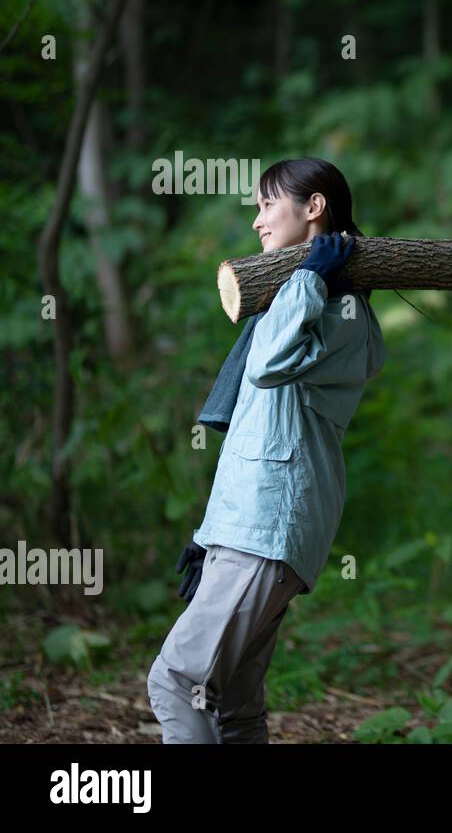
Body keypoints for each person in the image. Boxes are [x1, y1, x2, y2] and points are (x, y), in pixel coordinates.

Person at [147, 157, 386, 743]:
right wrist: (209, 537)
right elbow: (258, 431)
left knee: (178, 683)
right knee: (230, 703)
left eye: (266, 204)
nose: (256, 221)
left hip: (269, 525)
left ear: (314, 207)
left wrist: (307, 278)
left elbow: (269, 368)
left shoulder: (342, 307)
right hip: (251, 524)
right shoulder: (305, 299)